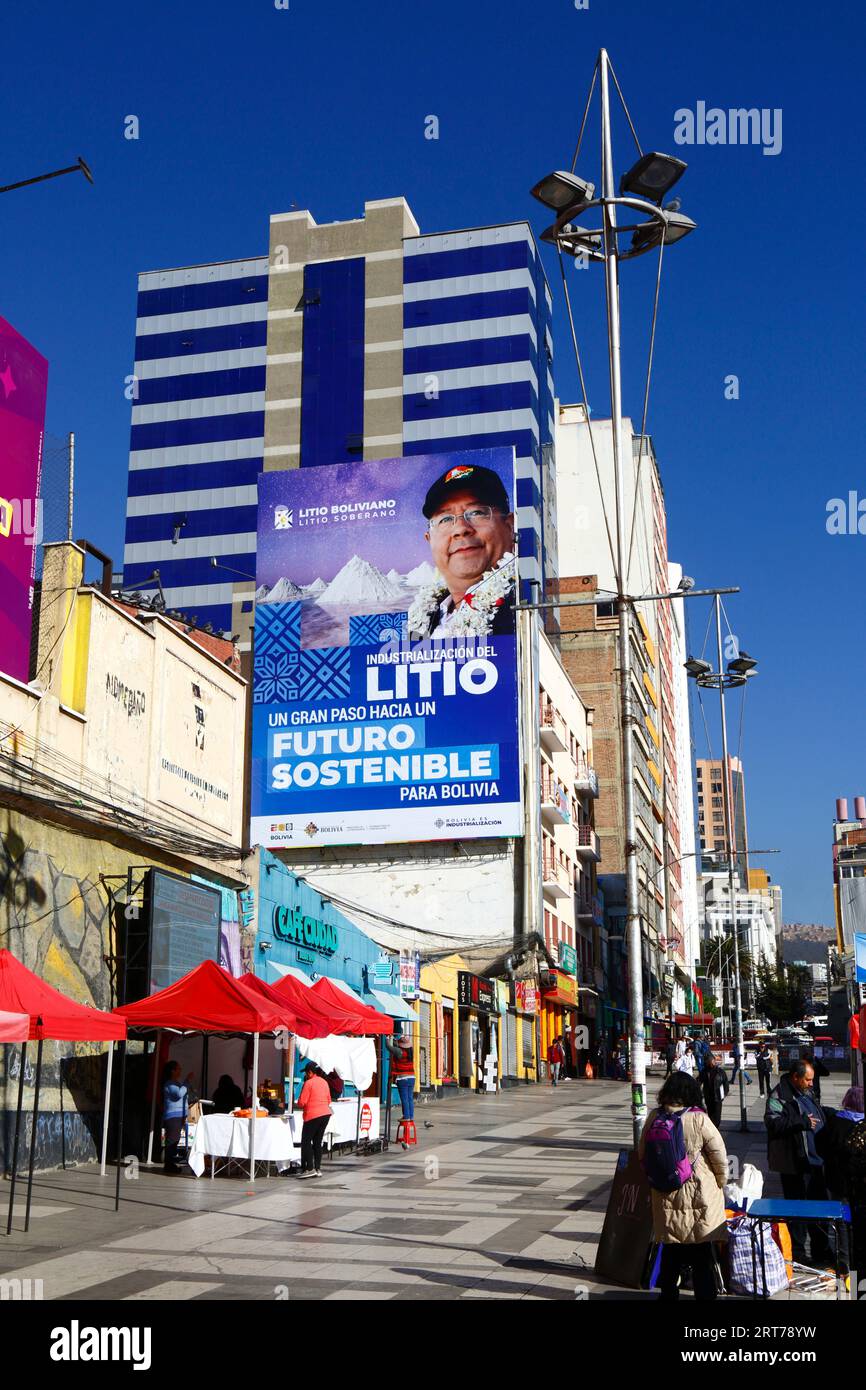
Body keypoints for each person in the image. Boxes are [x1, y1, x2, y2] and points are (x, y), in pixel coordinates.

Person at [639, 1072, 728, 1301]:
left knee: (671, 1251)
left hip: (665, 1193)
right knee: (701, 1255)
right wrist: (720, 1182)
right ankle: (705, 1297)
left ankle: (668, 1296)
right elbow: (719, 1156)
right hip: (698, 1195)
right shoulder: (698, 1119)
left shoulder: (654, 1117)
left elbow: (642, 1155)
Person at [407, 463, 517, 638]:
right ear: (429, 539)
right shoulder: (421, 620)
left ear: (510, 526)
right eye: (445, 519)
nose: (460, 529)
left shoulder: (521, 608)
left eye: (476, 512)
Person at [764, 1059, 834, 1267]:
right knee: (799, 1211)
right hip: (795, 1164)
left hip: (815, 1162)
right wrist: (800, 1122)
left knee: (819, 1209)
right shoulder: (779, 1095)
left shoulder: (805, 1092)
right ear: (796, 1077)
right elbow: (772, 1123)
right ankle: (798, 1252)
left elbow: (818, 1111)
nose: (812, 1083)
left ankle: (822, 1251)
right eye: (808, 1079)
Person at [818, 1085, 866, 1276]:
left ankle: (844, 1262)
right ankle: (859, 1262)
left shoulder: (835, 1123)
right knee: (860, 1224)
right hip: (861, 1189)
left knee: (843, 1223)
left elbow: (821, 1147)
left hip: (839, 1186)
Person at [296, 1063, 333, 1178]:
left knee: (306, 1141)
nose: (306, 1075)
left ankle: (310, 1168)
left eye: (306, 1073)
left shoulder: (308, 1083)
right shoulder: (324, 1082)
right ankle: (318, 1168)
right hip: (325, 1114)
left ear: (310, 1072)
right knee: (317, 1141)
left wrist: (298, 1103)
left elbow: (302, 1102)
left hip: (313, 1115)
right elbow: (329, 1100)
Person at [162, 1061, 194, 1173]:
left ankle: (170, 1164)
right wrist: (187, 1081)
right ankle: (169, 1165)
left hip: (178, 1116)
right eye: (178, 1069)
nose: (180, 1071)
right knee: (172, 1141)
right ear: (172, 1071)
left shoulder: (176, 1083)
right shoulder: (169, 1084)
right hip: (173, 1116)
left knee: (174, 1141)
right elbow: (179, 1094)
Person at [386, 1032, 416, 1144]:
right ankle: (410, 1115)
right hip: (412, 1077)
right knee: (409, 1098)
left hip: (403, 1078)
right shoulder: (410, 1051)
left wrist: (387, 1037)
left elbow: (389, 1047)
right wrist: (393, 1038)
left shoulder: (399, 1052)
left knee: (404, 1098)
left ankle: (406, 1116)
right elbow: (395, 1046)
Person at [700, 1050, 729, 1128]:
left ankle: (716, 1128)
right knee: (710, 1114)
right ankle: (713, 1129)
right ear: (708, 1062)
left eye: (713, 1060)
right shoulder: (704, 1072)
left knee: (717, 1115)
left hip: (718, 1097)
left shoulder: (720, 1071)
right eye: (711, 1060)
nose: (713, 1062)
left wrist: (724, 1093)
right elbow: (698, 1082)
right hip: (708, 1097)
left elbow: (725, 1083)